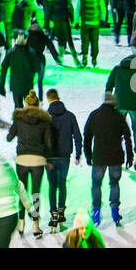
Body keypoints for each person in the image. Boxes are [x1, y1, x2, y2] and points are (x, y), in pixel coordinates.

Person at [6, 91, 54, 239]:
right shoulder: (45, 121)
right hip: (38, 161)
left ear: (26, 104)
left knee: (22, 192)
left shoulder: (19, 119)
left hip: (22, 160)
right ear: (38, 105)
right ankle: (35, 225)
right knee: (35, 194)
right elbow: (49, 144)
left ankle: (21, 223)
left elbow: (9, 137)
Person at [83, 92, 133, 228]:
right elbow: (128, 137)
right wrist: (130, 155)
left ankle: (96, 211)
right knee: (114, 184)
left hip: (99, 157)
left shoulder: (94, 115)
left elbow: (87, 136)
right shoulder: (119, 116)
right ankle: (115, 211)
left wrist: (88, 155)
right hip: (116, 157)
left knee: (96, 184)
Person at [0, 138, 32, 248]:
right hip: (8, 217)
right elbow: (19, 187)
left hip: (4, 219)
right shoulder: (4, 164)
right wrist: (29, 207)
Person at [45, 89, 82, 233]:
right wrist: (78, 154)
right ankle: (61, 212)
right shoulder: (70, 116)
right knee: (62, 184)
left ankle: (53, 214)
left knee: (52, 186)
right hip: (65, 156)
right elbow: (78, 136)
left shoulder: (46, 117)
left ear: (49, 99)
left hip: (49, 157)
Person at [105, 53, 136, 152]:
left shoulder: (117, 69)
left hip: (119, 104)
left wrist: (108, 101)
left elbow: (109, 85)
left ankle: (115, 147)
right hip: (134, 105)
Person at [0, 33, 37, 119]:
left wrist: (1, 85)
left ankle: (19, 125)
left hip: (15, 85)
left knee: (18, 107)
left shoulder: (10, 52)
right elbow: (36, 68)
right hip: (27, 85)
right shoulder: (31, 53)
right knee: (29, 107)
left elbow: (3, 69)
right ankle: (29, 126)